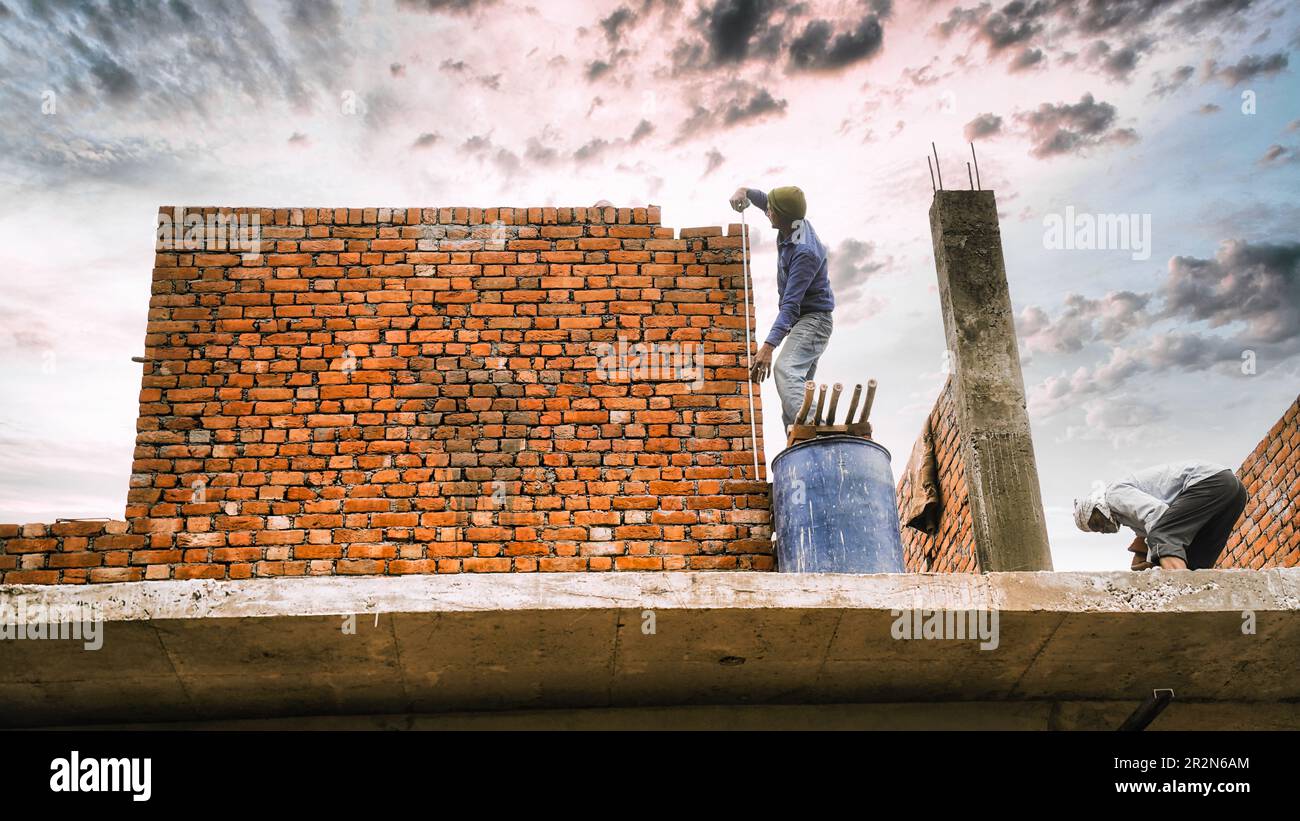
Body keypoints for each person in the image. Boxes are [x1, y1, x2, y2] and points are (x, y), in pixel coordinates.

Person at [729, 184, 835, 430]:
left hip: (814, 320)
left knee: (785, 370)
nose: (767, 211)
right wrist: (742, 191)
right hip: (804, 320)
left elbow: (790, 307)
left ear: (782, 217)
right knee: (795, 394)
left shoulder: (804, 252)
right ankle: (798, 446)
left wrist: (768, 347)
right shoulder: (791, 221)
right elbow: (762, 199)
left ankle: (815, 435)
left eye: (771, 210)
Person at [1073, 460, 1248, 570]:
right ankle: (1199, 595)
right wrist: (1146, 562)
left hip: (1211, 483)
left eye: (1096, 523)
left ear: (1097, 505)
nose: (1102, 529)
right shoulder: (1125, 515)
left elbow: (1158, 515)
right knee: (1194, 563)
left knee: (1162, 535)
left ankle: (1182, 594)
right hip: (1233, 493)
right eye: (1097, 530)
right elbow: (1145, 537)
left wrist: (1155, 554)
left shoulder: (1114, 495)